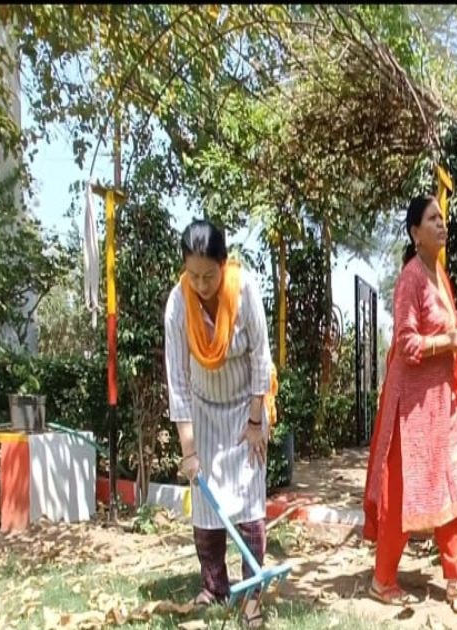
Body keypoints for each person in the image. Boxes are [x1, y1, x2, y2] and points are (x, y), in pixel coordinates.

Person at [361, 195, 457, 607]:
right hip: (411, 407)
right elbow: (405, 344)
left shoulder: (441, 275)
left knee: (452, 479)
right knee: (403, 490)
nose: (442, 224)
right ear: (415, 233)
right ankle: (382, 581)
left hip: (441, 402)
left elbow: (447, 342)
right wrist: (448, 341)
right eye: (432, 219)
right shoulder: (411, 278)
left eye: (442, 218)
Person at [163, 219, 274, 627]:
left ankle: (251, 598)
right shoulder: (178, 303)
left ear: (224, 265)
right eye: (193, 275)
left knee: (248, 509)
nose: (202, 284)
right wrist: (188, 450)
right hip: (204, 409)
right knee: (208, 512)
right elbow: (176, 377)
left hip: (245, 410)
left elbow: (261, 358)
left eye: (209, 275)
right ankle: (214, 587)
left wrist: (255, 422)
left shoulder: (245, 291)